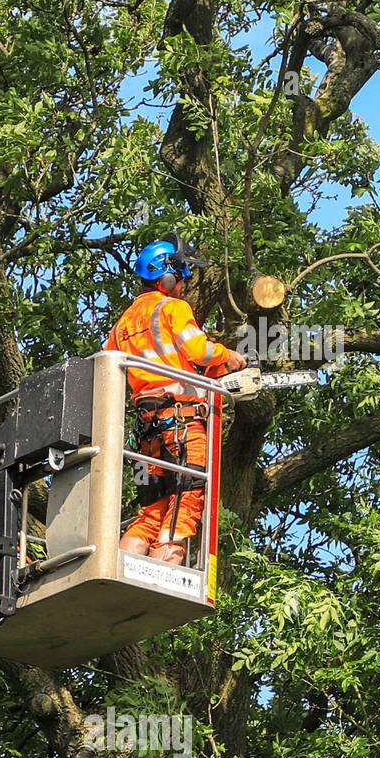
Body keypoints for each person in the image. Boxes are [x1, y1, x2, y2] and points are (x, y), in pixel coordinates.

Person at [105, 239, 247, 565]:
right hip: (181, 421)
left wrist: (211, 370)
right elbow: (197, 350)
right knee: (187, 494)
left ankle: (124, 568)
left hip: (146, 429)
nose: (183, 285)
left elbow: (110, 365)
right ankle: (165, 571)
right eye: (181, 278)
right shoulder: (172, 307)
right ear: (166, 278)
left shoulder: (123, 323)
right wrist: (229, 357)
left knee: (152, 508)